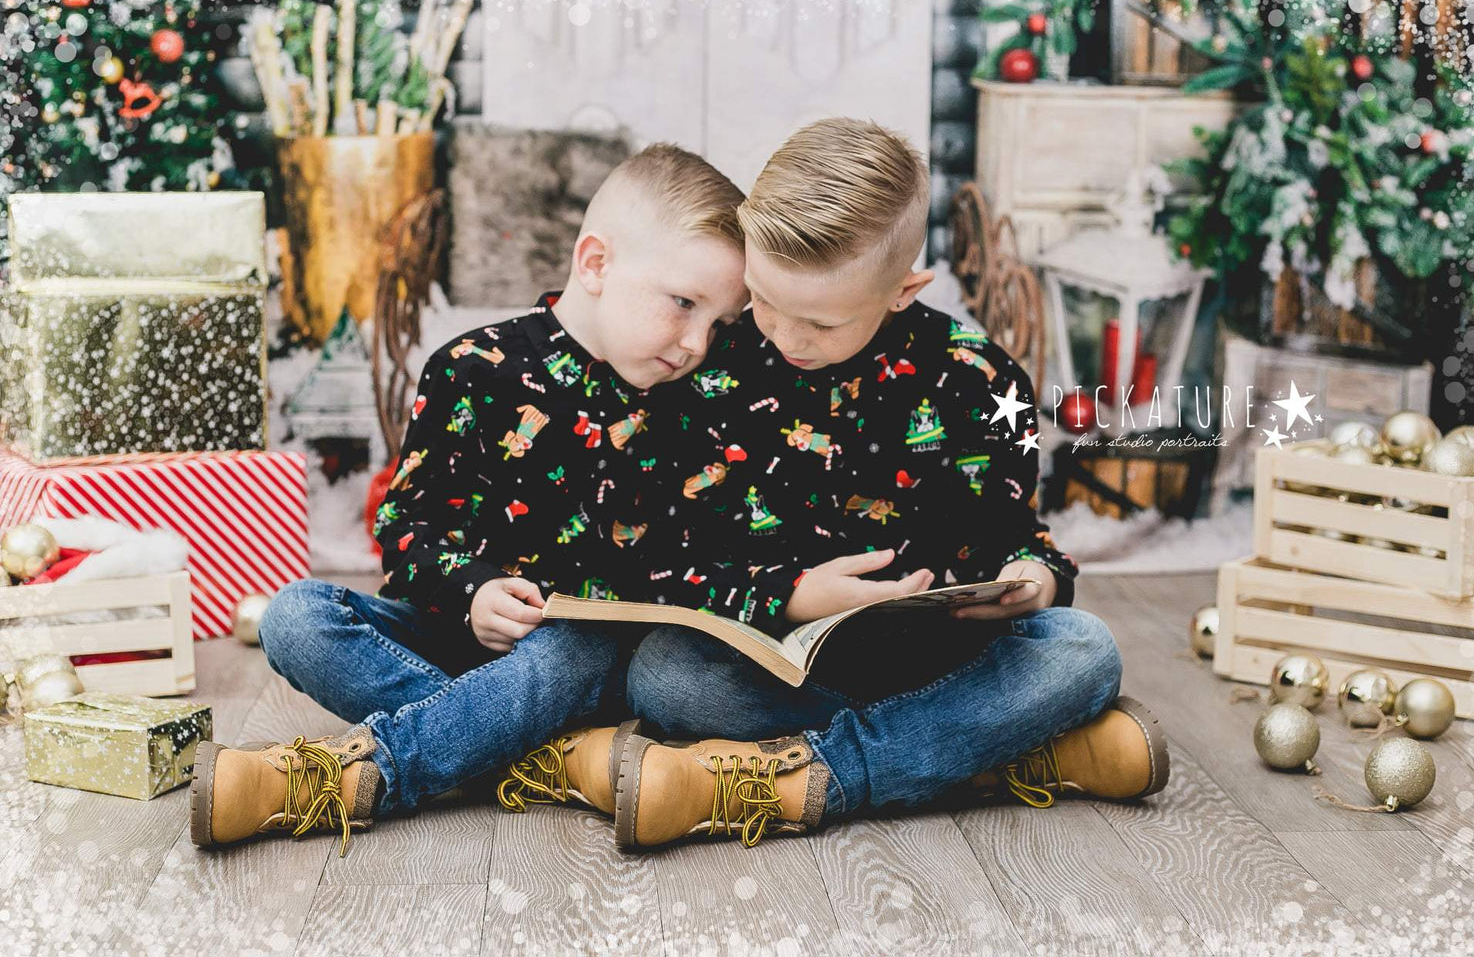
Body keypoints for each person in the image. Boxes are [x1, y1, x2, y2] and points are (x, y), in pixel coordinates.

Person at [589, 118, 1170, 849]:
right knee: (665, 677)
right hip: (779, 667)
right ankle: (983, 752)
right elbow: (666, 556)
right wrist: (791, 596)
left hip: (934, 661)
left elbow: (1015, 535)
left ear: (904, 290)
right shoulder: (709, 359)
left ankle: (810, 778)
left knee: (1083, 649)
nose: (784, 335)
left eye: (821, 323)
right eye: (763, 298)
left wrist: (1033, 578)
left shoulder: (977, 380)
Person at [187, 143, 750, 855]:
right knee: (294, 618)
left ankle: (372, 774)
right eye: (684, 304)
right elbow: (406, 530)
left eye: (721, 323)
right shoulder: (472, 369)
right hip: (464, 640)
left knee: (572, 648)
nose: (698, 342)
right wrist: (474, 592)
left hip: (584, 664)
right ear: (595, 264)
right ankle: (551, 761)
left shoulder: (699, 397)